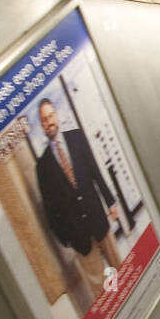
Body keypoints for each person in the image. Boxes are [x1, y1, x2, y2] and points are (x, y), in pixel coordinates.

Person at [34, 97, 121, 299]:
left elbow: (94, 171)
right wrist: (66, 239)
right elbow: (50, 208)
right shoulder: (43, 166)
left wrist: (110, 202)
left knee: (124, 271)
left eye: (50, 116)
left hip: (98, 219)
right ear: (41, 126)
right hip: (79, 238)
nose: (49, 122)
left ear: (56, 115)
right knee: (102, 293)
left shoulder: (76, 138)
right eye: (44, 120)